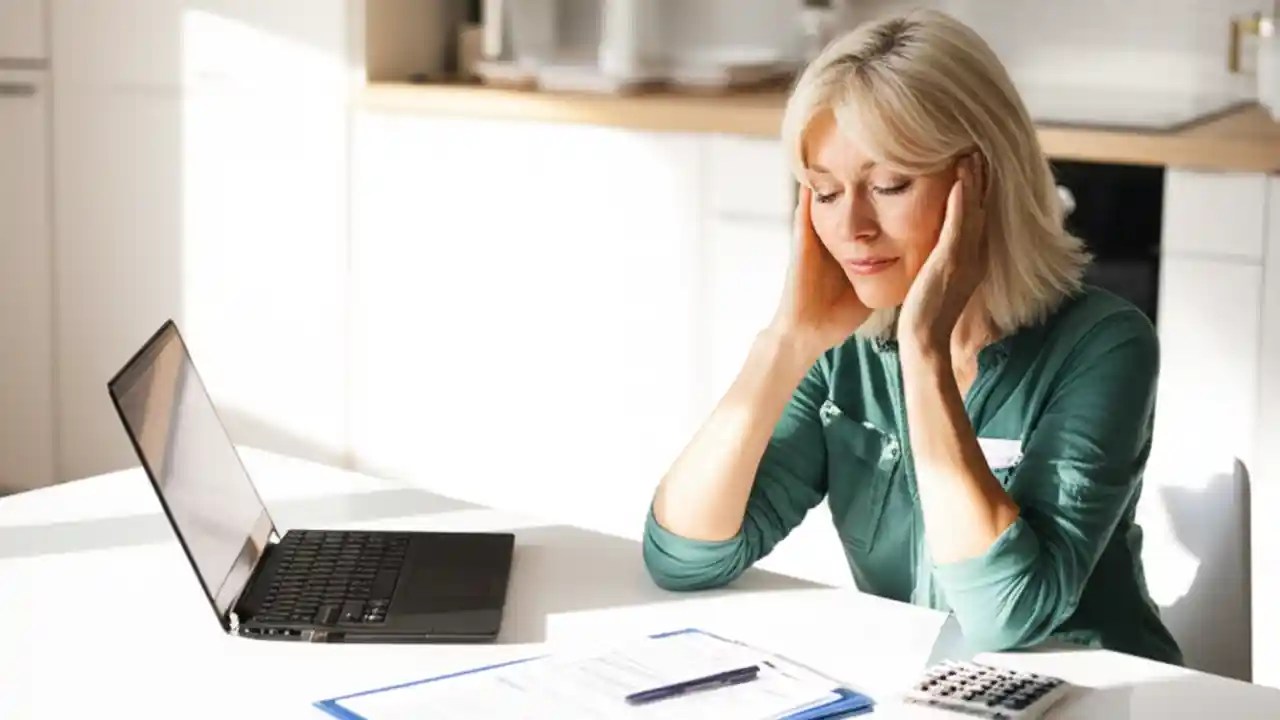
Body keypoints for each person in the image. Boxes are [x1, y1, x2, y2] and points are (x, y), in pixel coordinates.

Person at [641, 8, 1183, 665]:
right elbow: (683, 557)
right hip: (928, 692)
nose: (852, 227)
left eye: (889, 185)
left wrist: (925, 352)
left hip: (1100, 694)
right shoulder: (841, 349)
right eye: (825, 192)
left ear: (983, 182)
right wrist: (784, 342)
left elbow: (1006, 616)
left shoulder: (1105, 345)